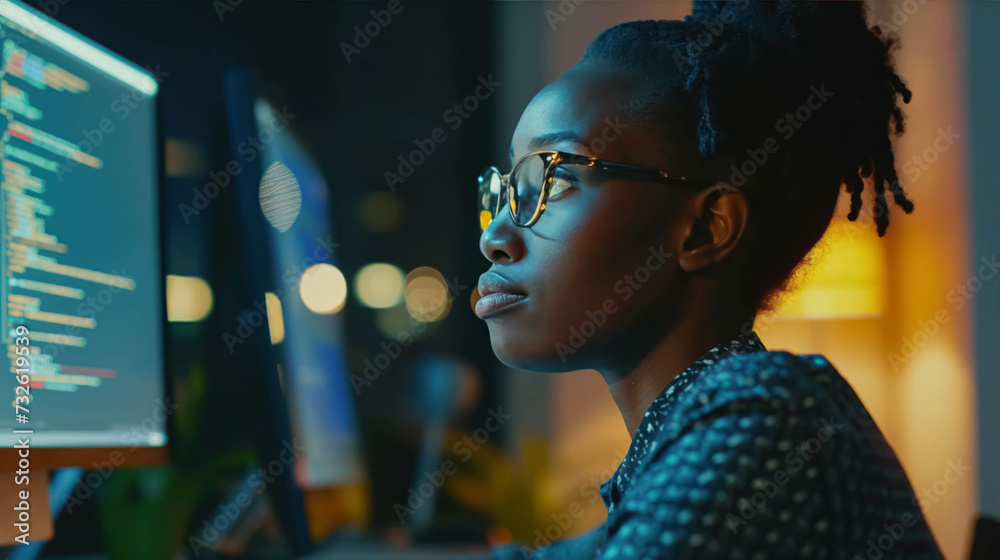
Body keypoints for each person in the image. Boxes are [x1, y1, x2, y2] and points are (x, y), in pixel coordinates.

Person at [471, 0, 944, 558]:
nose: (494, 236)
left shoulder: (768, 413)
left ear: (704, 230)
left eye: (557, 179)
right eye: (506, 187)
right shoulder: (691, 440)